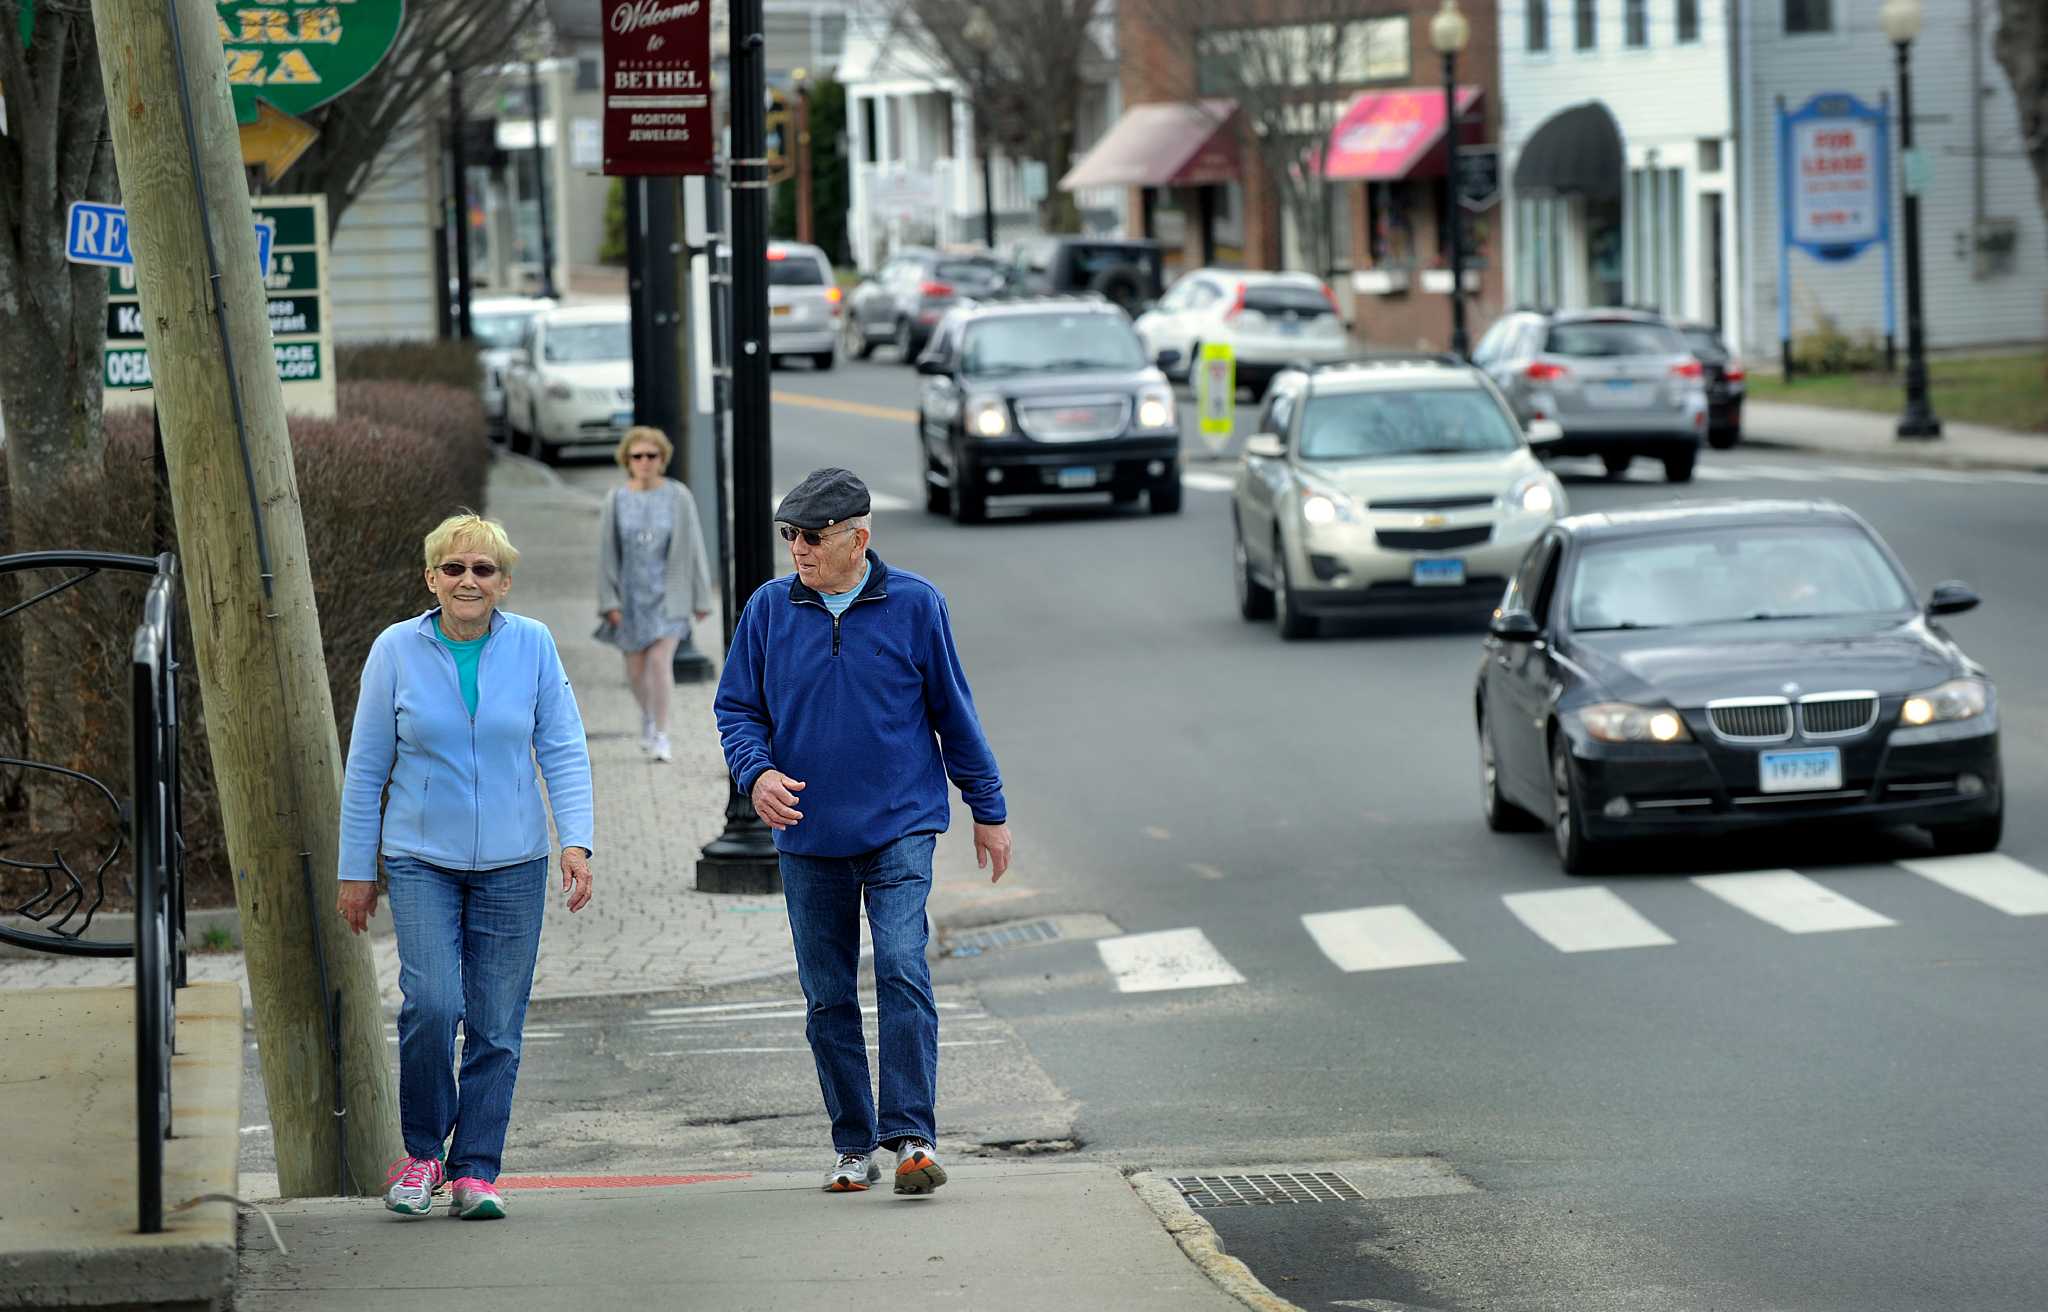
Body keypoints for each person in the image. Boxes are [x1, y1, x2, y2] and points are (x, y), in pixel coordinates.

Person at [714, 467, 1012, 1197]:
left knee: (903, 964)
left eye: (813, 537)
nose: (799, 550)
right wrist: (756, 775)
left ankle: (912, 1137)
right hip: (808, 836)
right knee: (827, 996)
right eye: (790, 536)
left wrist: (988, 808)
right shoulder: (768, 610)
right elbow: (736, 708)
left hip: (900, 825)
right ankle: (853, 1143)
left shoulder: (915, 604)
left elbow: (953, 711)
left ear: (859, 539)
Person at [336, 512, 595, 1221]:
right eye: (454, 569)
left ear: (504, 582)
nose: (468, 581)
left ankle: (476, 1168)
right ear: (431, 579)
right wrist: (356, 871)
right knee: (433, 1006)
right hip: (420, 859)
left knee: (496, 1026)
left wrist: (577, 842)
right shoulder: (395, 650)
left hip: (515, 862)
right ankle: (423, 1156)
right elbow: (365, 772)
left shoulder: (535, 646)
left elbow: (564, 749)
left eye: (483, 569)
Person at [597, 426, 713, 763]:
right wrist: (609, 602)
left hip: (669, 596)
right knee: (635, 671)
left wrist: (700, 598)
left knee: (661, 662)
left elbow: (693, 549)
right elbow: (607, 554)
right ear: (627, 460)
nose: (645, 462)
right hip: (630, 598)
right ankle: (647, 716)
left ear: (662, 459)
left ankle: (662, 733)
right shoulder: (615, 499)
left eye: (652, 456)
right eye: (638, 456)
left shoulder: (678, 497)